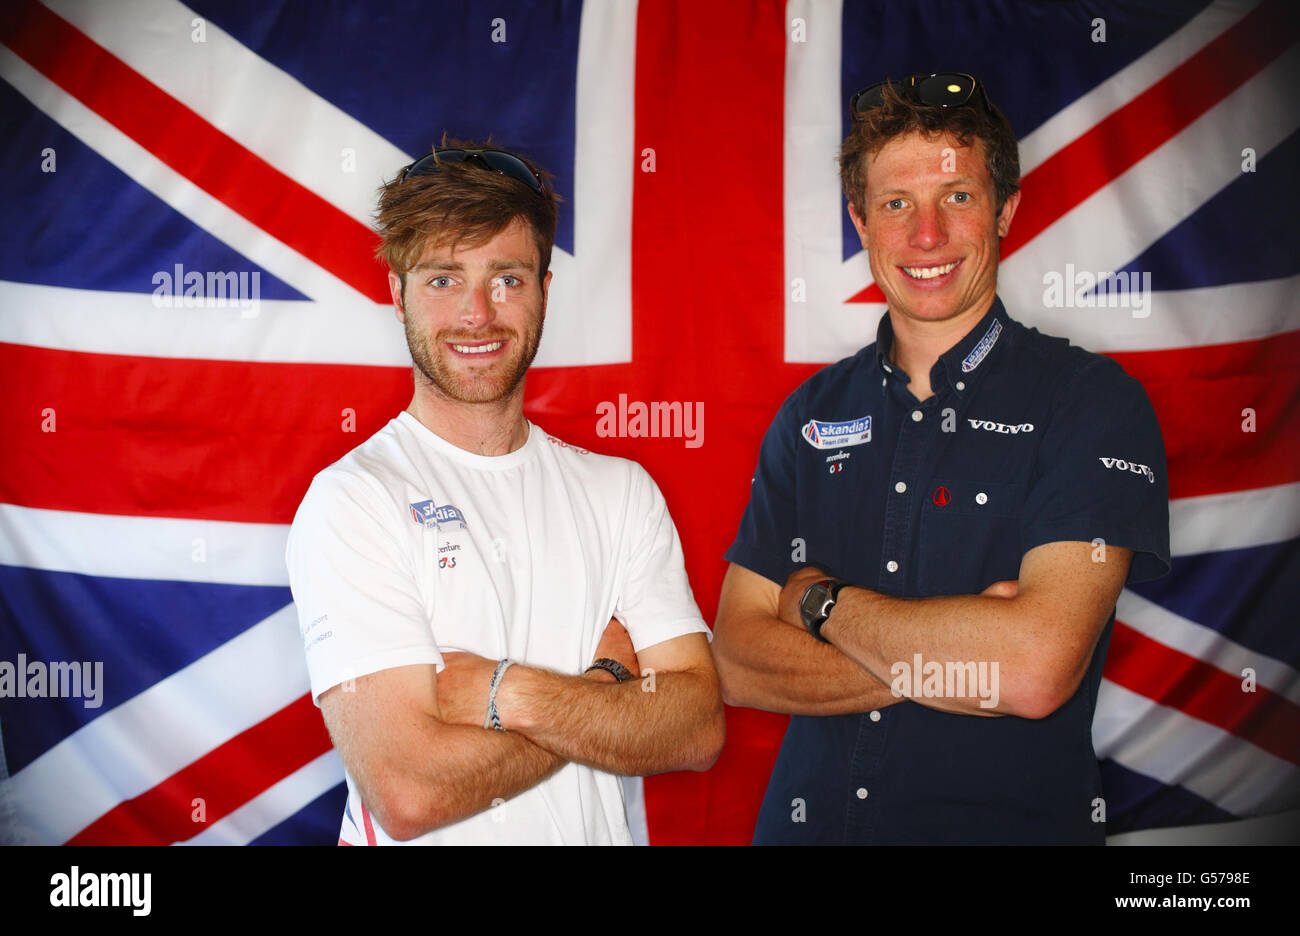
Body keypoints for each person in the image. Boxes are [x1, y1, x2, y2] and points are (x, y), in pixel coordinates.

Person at [714, 74, 1169, 844]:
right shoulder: (811, 415)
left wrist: (820, 606)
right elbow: (736, 659)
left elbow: (1031, 671)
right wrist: (961, 654)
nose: (926, 235)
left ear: (1006, 211)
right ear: (861, 221)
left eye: (957, 196)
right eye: (896, 204)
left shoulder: (1092, 404)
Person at [286, 142, 724, 845]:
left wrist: (506, 694)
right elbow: (409, 791)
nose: (477, 315)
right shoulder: (352, 502)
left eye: (507, 279)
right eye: (442, 280)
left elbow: (696, 728)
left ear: (545, 290)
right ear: (396, 294)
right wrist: (605, 687)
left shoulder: (620, 493)